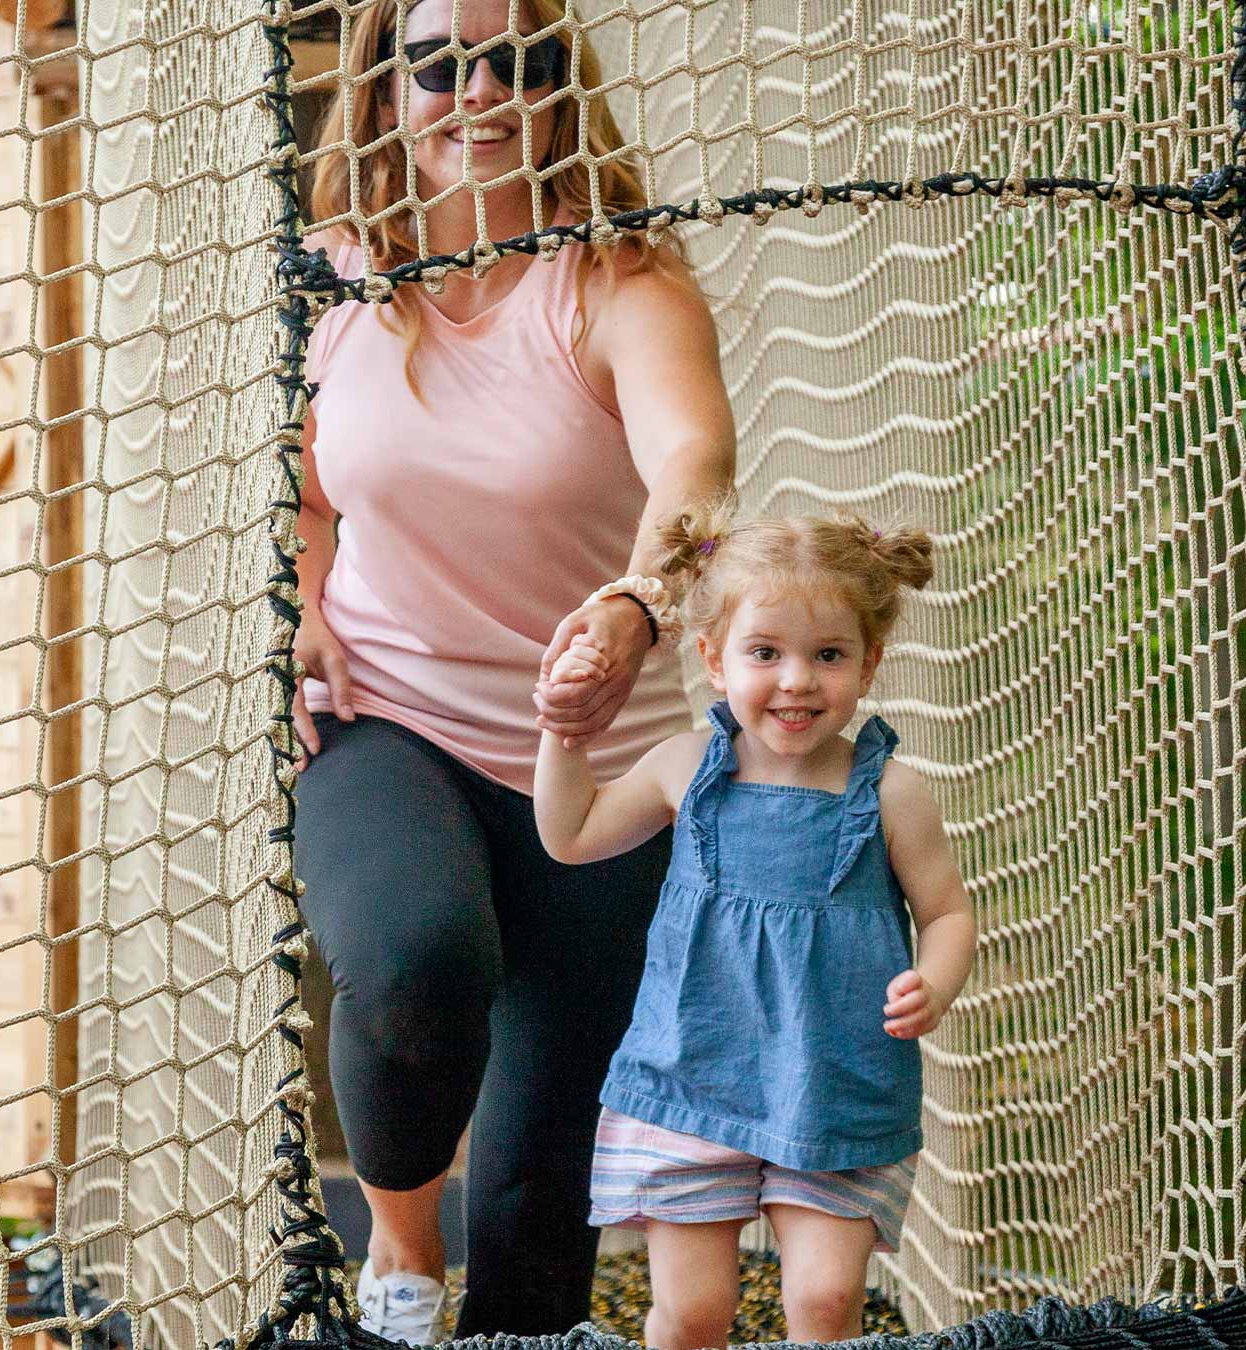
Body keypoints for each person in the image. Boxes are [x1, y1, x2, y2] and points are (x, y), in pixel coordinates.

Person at [288, 0, 737, 1340]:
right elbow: (306, 488)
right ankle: (401, 1267)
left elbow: (695, 469)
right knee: (421, 962)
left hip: (595, 766)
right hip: (388, 717)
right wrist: (308, 607)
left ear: (561, 89)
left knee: (542, 1213)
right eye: (440, 63)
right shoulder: (334, 276)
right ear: (383, 92)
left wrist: (637, 606)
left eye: (519, 62)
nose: (479, 91)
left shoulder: (621, 281)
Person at [532, 506, 978, 1346]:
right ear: (714, 658)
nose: (798, 681)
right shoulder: (684, 765)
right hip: (692, 1072)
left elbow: (947, 911)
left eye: (829, 655)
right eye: (765, 653)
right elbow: (571, 835)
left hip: (837, 1082)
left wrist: (938, 980)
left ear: (869, 662)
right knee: (696, 1312)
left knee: (821, 1300)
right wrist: (564, 734)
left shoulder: (889, 792)